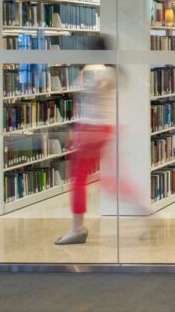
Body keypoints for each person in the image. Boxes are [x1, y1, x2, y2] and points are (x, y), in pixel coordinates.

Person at [56, 35, 144, 244]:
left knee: (78, 178)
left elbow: (88, 98)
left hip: (89, 129)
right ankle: (144, 212)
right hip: (106, 128)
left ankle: (77, 228)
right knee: (111, 179)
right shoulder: (112, 71)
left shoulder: (90, 70)